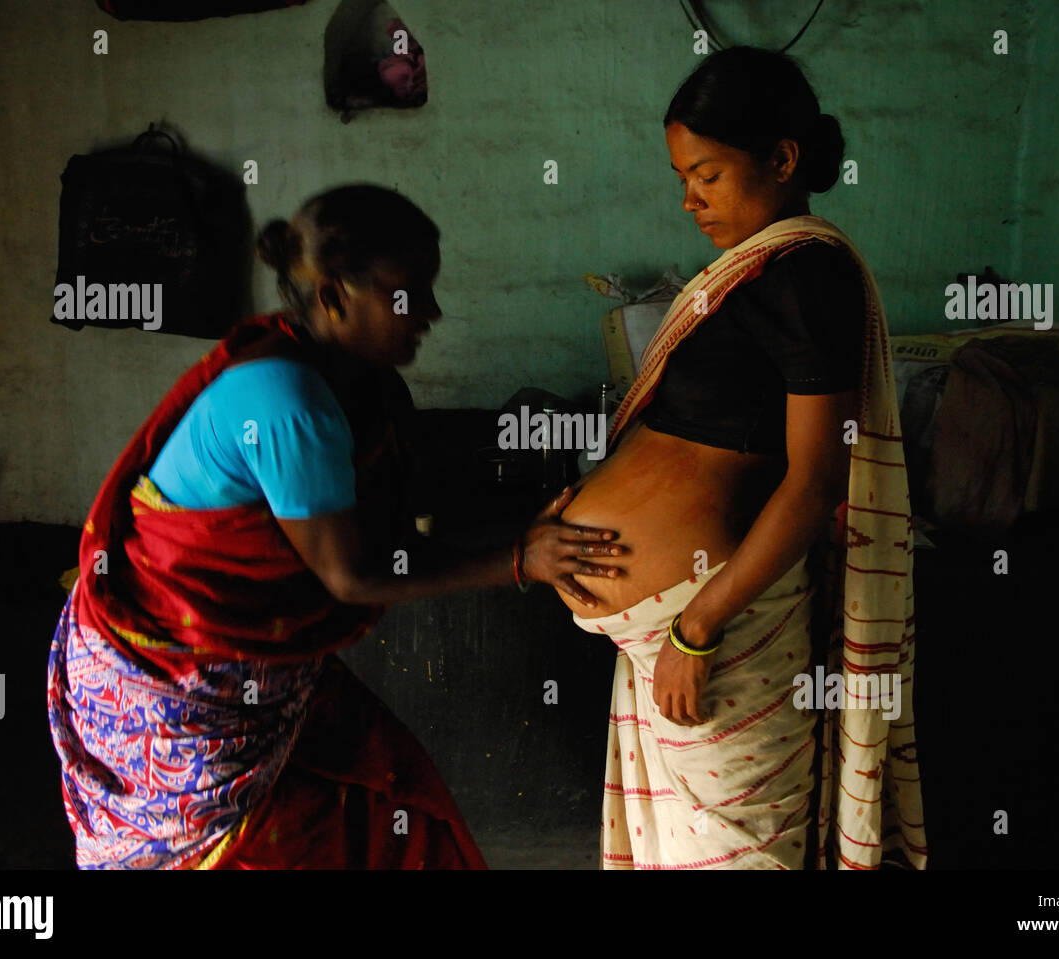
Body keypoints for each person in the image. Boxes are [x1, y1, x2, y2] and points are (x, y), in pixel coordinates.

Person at [47, 184, 627, 869]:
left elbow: (396, 513)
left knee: (385, 805)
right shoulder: (286, 400)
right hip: (170, 677)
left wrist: (532, 521)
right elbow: (352, 573)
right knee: (263, 846)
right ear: (332, 296)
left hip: (255, 673)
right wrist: (519, 559)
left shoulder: (368, 385)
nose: (431, 312)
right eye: (408, 294)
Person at [555, 47, 928, 870]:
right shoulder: (753, 277)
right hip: (688, 629)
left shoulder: (807, 276)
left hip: (725, 632)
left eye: (707, 175)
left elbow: (814, 481)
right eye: (683, 178)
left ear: (782, 160)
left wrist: (696, 627)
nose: (689, 199)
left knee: (737, 854)